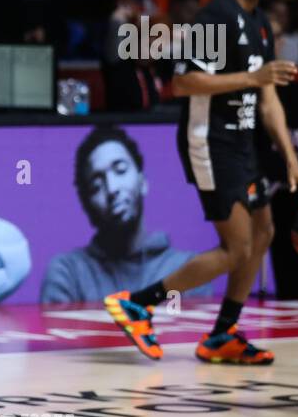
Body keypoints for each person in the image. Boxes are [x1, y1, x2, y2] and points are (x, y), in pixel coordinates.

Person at [105, 0, 298, 365]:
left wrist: (293, 161)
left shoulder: (258, 22)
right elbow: (183, 83)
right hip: (209, 142)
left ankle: (223, 334)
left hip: (242, 144)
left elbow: (269, 99)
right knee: (236, 247)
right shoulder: (214, 19)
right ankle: (138, 304)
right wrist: (253, 80)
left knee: (264, 233)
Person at [42, 126, 212, 303]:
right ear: (86, 204)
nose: (112, 188)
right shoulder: (68, 273)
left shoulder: (187, 268)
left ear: (142, 181)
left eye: (120, 170)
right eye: (96, 185)